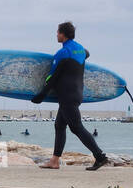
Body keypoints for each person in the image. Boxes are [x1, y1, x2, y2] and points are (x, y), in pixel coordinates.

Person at [32, 21, 108, 170]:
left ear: (63, 34)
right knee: (59, 125)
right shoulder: (80, 50)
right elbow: (87, 53)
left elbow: (51, 77)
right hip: (77, 93)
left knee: (76, 127)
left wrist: (41, 95)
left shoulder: (62, 53)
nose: (56, 35)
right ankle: (54, 161)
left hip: (67, 96)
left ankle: (100, 157)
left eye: (58, 32)